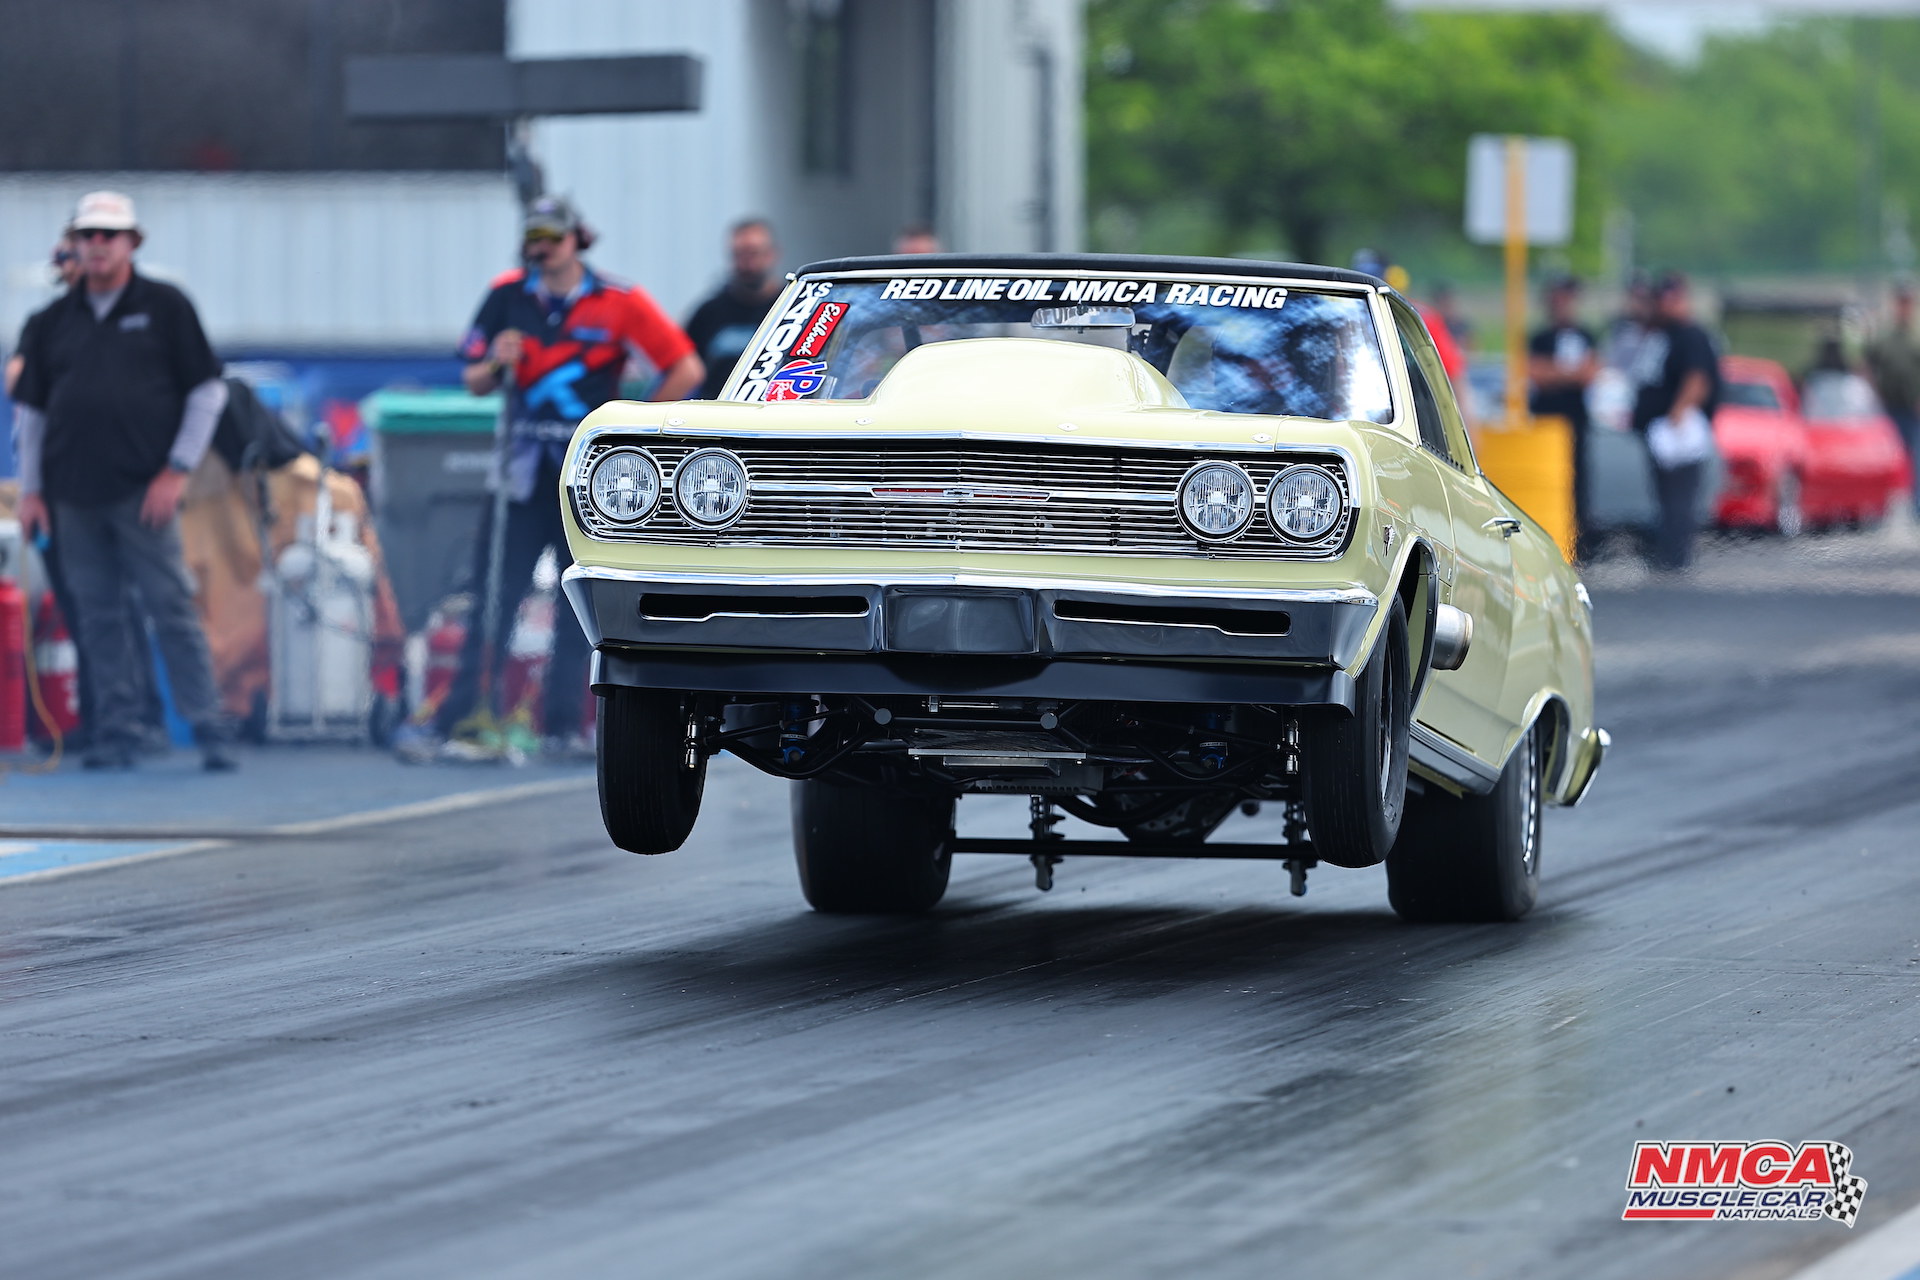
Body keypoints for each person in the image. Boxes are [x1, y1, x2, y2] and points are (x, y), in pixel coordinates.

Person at [403, 195, 703, 760]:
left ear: (576, 240)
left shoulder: (619, 301)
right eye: (532, 238)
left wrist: (635, 429)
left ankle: (565, 725)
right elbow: (473, 381)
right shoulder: (507, 295)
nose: (541, 248)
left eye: (552, 237)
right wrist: (497, 362)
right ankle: (463, 717)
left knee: (580, 602)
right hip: (518, 473)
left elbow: (685, 367)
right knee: (494, 595)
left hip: (589, 479)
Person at [11, 191, 236, 770]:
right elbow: (31, 413)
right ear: (74, 243)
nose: (97, 246)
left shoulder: (165, 307)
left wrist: (177, 470)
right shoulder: (49, 323)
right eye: (87, 236)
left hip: (144, 488)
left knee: (169, 603)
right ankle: (118, 727)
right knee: (97, 612)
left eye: (108, 236)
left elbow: (207, 391)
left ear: (132, 242)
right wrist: (32, 489)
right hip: (71, 491)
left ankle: (207, 723)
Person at [1632, 272, 1721, 572]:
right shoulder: (1659, 334)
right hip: (1659, 428)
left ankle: (1675, 557)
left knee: (1679, 496)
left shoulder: (1691, 334)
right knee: (1664, 496)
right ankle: (1667, 552)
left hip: (1678, 429)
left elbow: (1698, 378)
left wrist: (1677, 413)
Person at [1528, 276, 1600, 555]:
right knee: (1547, 479)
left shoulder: (1586, 335)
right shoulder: (1540, 337)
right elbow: (1535, 372)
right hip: (1546, 420)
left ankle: (1579, 541)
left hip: (1576, 419)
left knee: (1578, 480)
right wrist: (1568, 372)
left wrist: (1556, 372)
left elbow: (1590, 373)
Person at [683, 218, 781, 399]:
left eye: (753, 254)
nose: (747, 264)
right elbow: (684, 371)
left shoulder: (793, 308)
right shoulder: (708, 313)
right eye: (739, 255)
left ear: (771, 255)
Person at [1863, 286, 1919, 500]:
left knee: (1916, 458)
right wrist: (1874, 394)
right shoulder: (1884, 337)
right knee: (1887, 457)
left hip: (1913, 410)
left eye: (1908, 303)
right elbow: (1867, 365)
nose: (1904, 308)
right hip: (1888, 408)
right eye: (1901, 303)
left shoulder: (1916, 336)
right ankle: (1887, 500)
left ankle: (1917, 506)